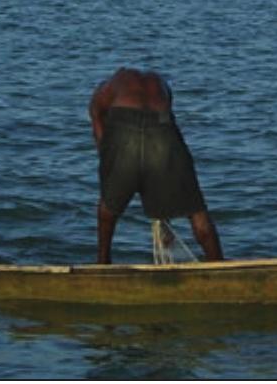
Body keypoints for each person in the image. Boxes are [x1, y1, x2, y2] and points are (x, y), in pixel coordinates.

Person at [89, 67, 223, 264]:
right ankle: (218, 265)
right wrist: (163, 217)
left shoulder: (106, 88)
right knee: (196, 212)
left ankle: (102, 263)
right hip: (162, 128)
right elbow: (159, 161)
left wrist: (107, 160)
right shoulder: (162, 86)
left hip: (128, 131)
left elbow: (96, 116)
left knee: (107, 210)